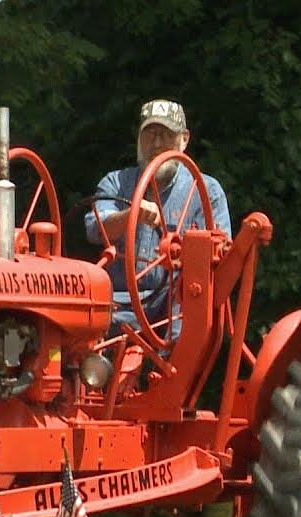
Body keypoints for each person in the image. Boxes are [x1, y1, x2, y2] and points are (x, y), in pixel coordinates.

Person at [83, 99, 231, 342]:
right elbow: (95, 229)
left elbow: (219, 262)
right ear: (138, 139)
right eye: (150, 135)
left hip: (172, 303)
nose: (158, 144)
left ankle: (172, 373)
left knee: (186, 295)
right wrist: (132, 215)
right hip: (117, 301)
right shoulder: (116, 183)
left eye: (166, 135)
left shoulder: (205, 190)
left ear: (184, 139)